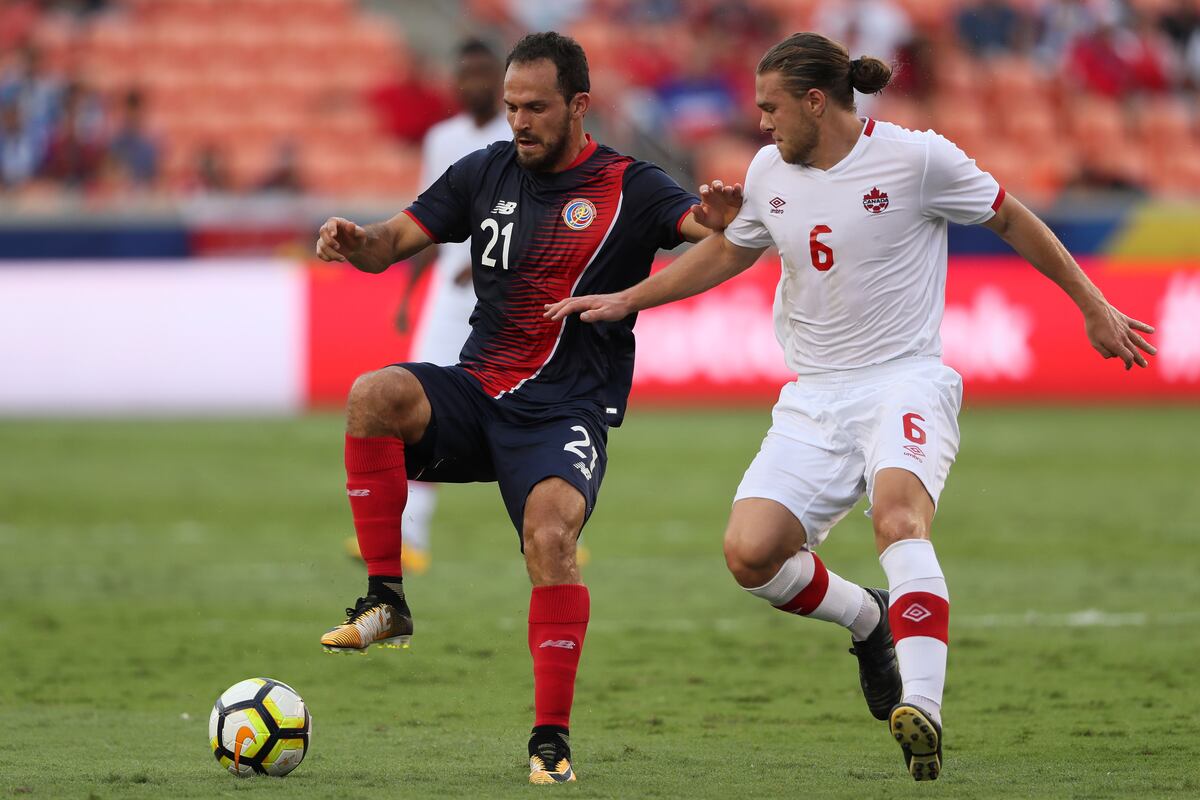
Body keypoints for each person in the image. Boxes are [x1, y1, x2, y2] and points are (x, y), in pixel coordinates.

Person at [545, 31, 1156, 782]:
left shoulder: (916, 158)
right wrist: (630, 298)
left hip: (903, 379)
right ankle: (870, 621)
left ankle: (923, 706)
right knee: (751, 555)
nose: (761, 124)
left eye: (771, 107)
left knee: (898, 516)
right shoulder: (770, 170)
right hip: (814, 396)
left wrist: (1092, 305)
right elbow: (731, 250)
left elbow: (1011, 217)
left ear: (815, 100)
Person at [314, 31, 736, 785]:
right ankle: (386, 601)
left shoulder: (629, 186)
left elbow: (717, 237)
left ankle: (550, 741)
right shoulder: (483, 172)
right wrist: (355, 240)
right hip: (479, 392)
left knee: (549, 540)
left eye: (535, 107)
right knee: (374, 395)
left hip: (565, 414)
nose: (518, 122)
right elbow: (390, 243)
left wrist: (726, 215)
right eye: (511, 107)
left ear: (578, 106)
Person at [385, 38, 512, 574]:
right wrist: (410, 294)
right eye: (466, 74)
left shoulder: (519, 134)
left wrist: (485, 261)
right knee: (418, 405)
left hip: (509, 293)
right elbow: (426, 222)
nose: (474, 84)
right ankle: (410, 538)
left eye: (485, 73)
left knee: (524, 410)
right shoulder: (443, 139)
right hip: (447, 295)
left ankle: (556, 533)